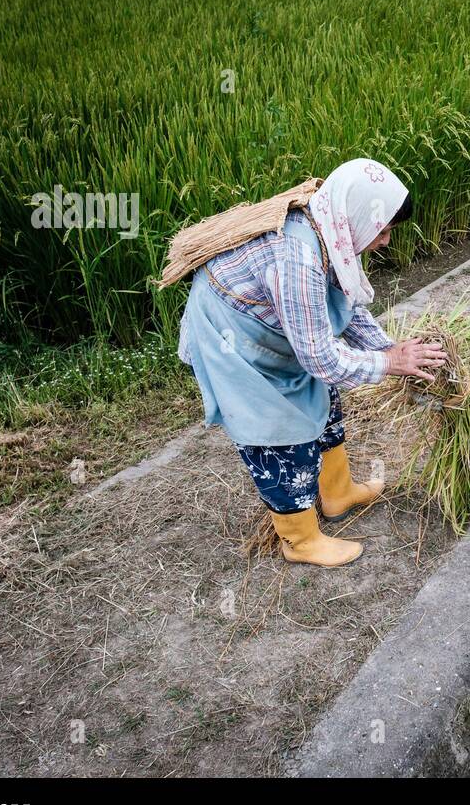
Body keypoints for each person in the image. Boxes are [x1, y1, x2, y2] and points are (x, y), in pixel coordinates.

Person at [177, 159, 446, 567]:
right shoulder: (297, 256)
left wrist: (393, 350)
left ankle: (336, 493)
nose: (386, 241)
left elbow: (348, 305)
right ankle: (299, 541)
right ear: (357, 217)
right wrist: (389, 363)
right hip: (231, 334)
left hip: (268, 324)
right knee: (278, 430)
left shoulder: (331, 226)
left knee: (324, 399)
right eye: (384, 230)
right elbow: (321, 358)